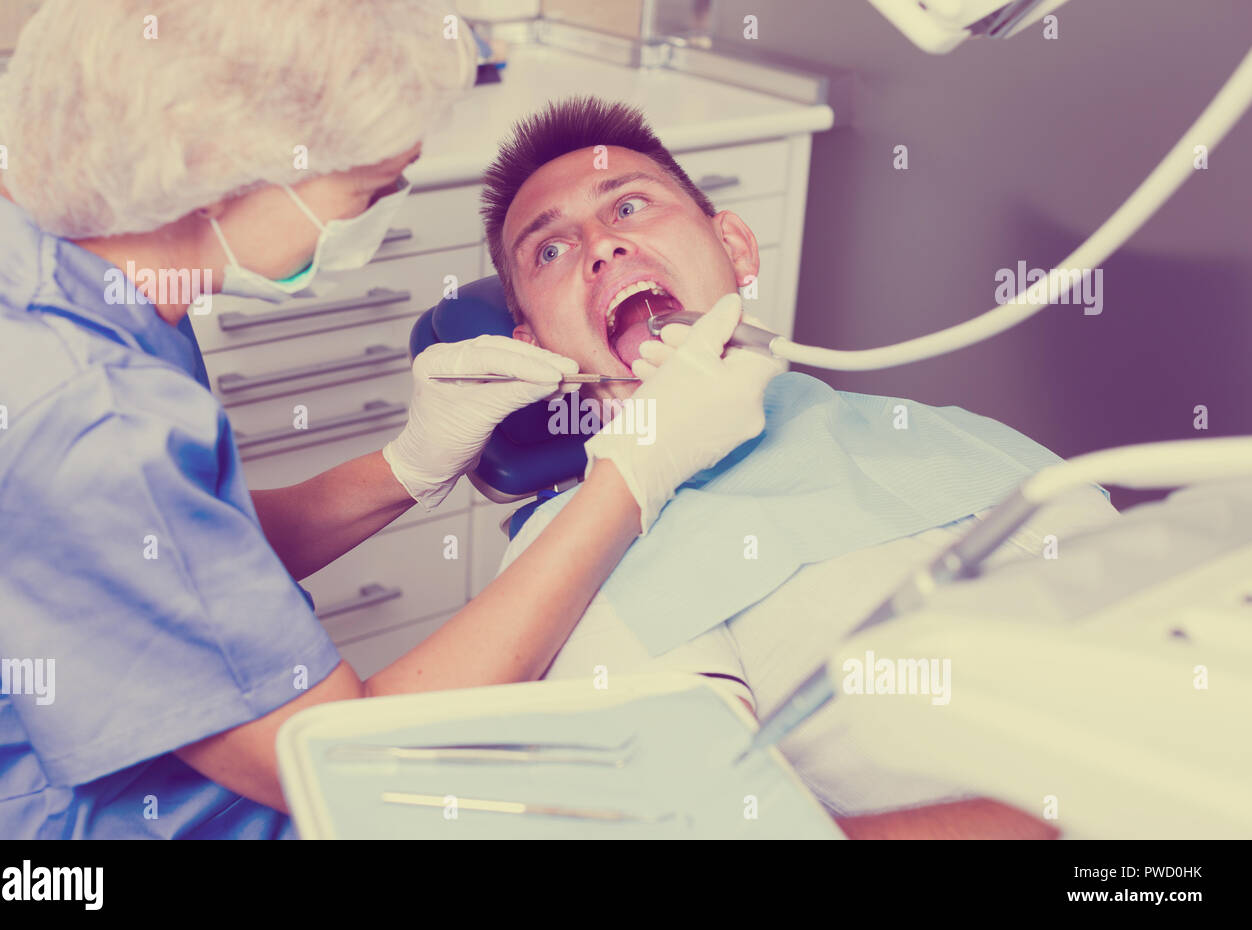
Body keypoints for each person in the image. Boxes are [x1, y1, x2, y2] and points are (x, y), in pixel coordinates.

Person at [0, 2, 780, 838]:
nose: (387, 203)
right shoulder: (82, 412)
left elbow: (165, 553)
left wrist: (405, 468)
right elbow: (341, 758)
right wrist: (630, 476)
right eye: (369, 187)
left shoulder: (22, 220)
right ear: (224, 167)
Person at [479, 96, 1121, 838]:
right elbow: (710, 829)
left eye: (629, 206)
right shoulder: (575, 556)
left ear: (738, 250)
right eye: (550, 250)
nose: (600, 247)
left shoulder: (956, 435)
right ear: (535, 350)